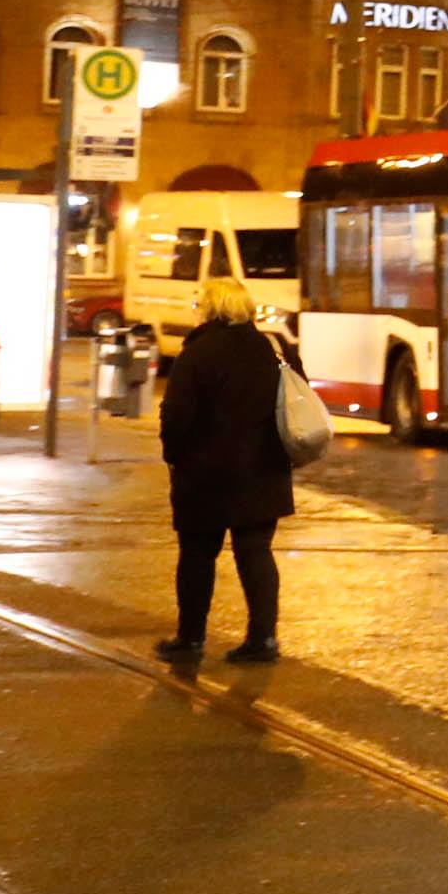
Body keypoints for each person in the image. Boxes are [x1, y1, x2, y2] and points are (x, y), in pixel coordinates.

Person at [156, 275, 296, 665]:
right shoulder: (267, 347)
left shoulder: (199, 352)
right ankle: (263, 638)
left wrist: (174, 454)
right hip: (264, 469)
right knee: (256, 554)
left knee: (198, 555)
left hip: (207, 474)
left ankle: (191, 637)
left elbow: (177, 414)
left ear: (212, 308)